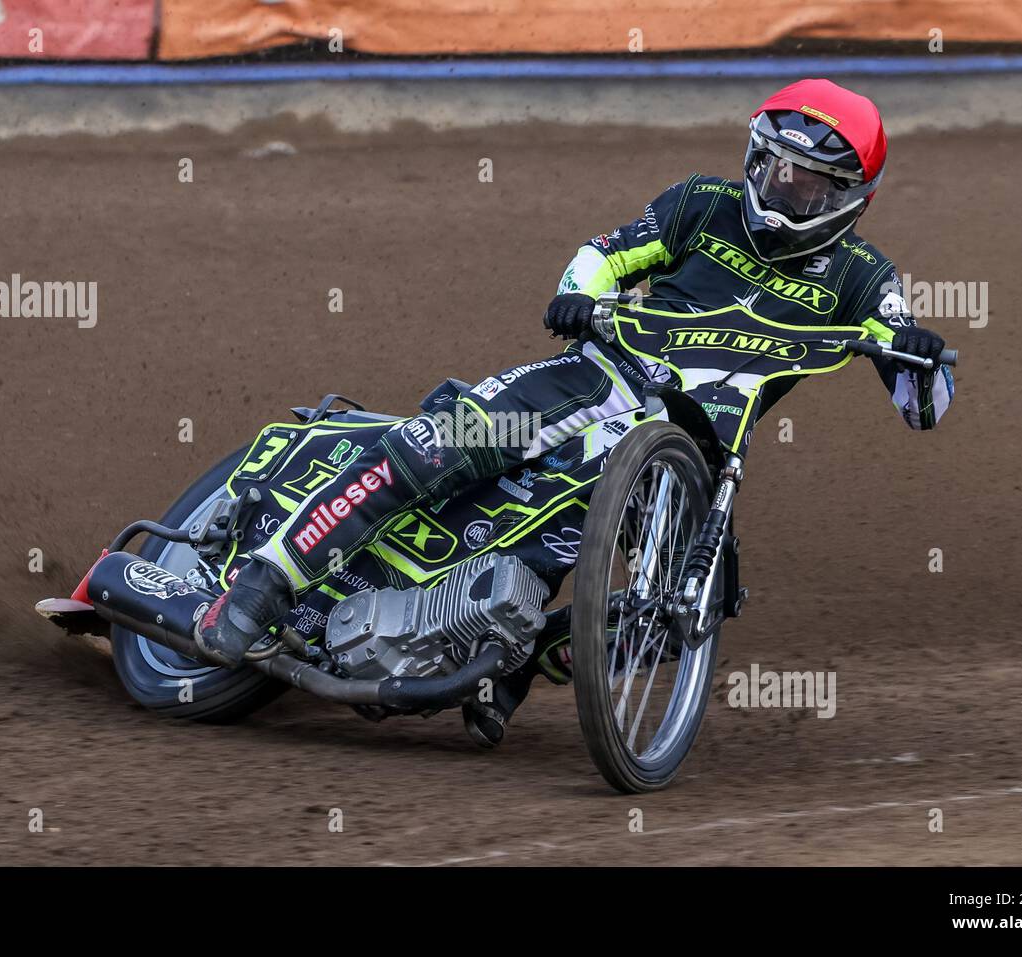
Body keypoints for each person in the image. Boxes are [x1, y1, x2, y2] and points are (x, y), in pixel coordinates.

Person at [195, 78, 955, 742]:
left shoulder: (864, 276)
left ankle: (516, 662)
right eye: (770, 164)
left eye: (804, 182)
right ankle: (266, 582)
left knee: (689, 608)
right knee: (437, 445)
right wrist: (582, 297)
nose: (779, 185)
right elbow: (607, 251)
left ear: (851, 198)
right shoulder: (701, 201)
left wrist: (914, 353)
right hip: (597, 375)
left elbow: (922, 401)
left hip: (692, 454)